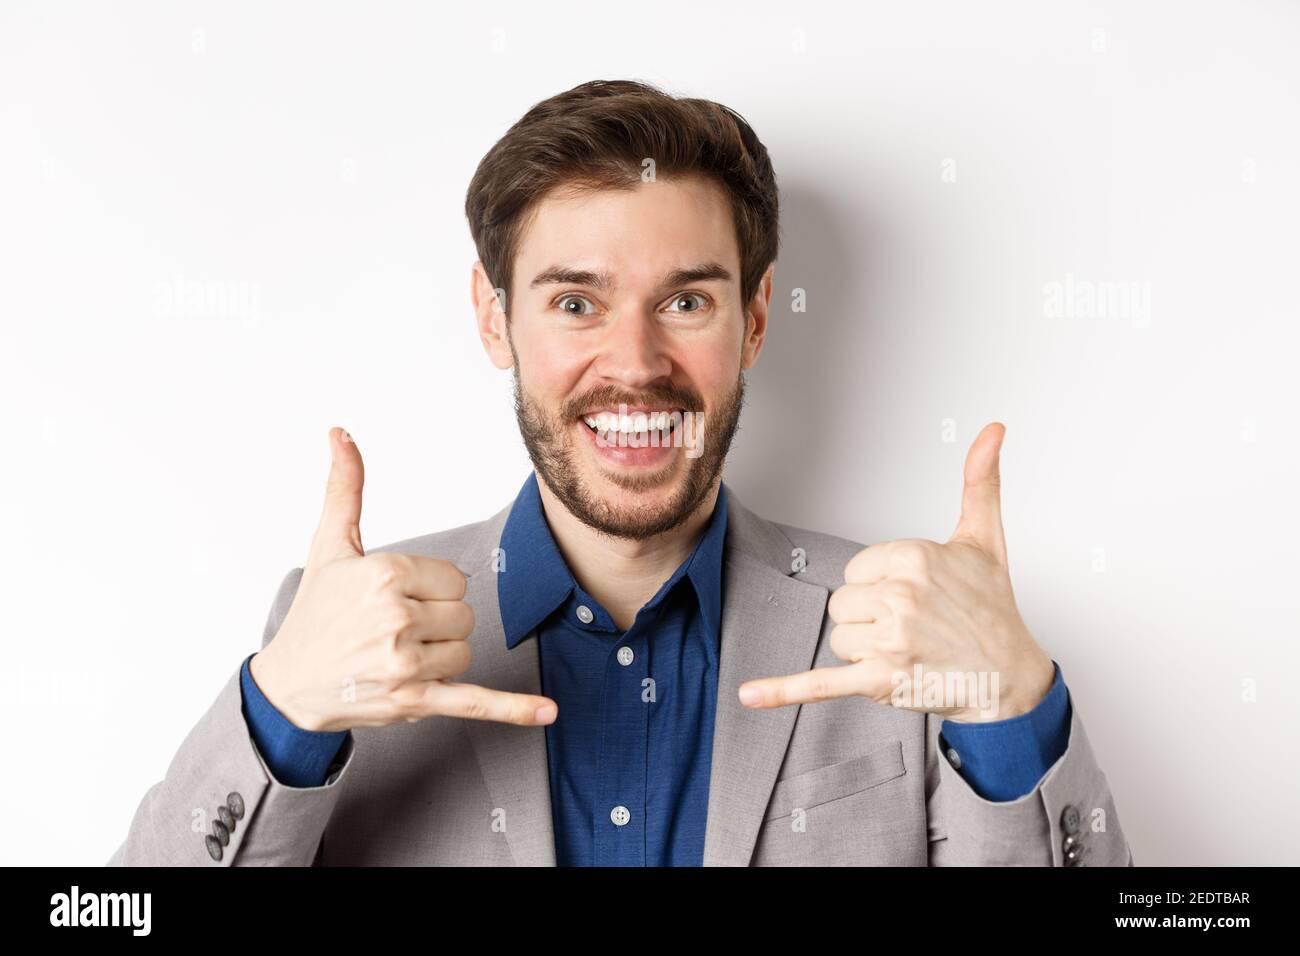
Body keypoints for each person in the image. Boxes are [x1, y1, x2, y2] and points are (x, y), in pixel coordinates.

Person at [109, 79, 1131, 866]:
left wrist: (1010, 709)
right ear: (491, 316)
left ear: (757, 318)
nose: (635, 362)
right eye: (574, 302)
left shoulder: (907, 633)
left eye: (685, 301)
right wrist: (278, 710)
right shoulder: (345, 637)